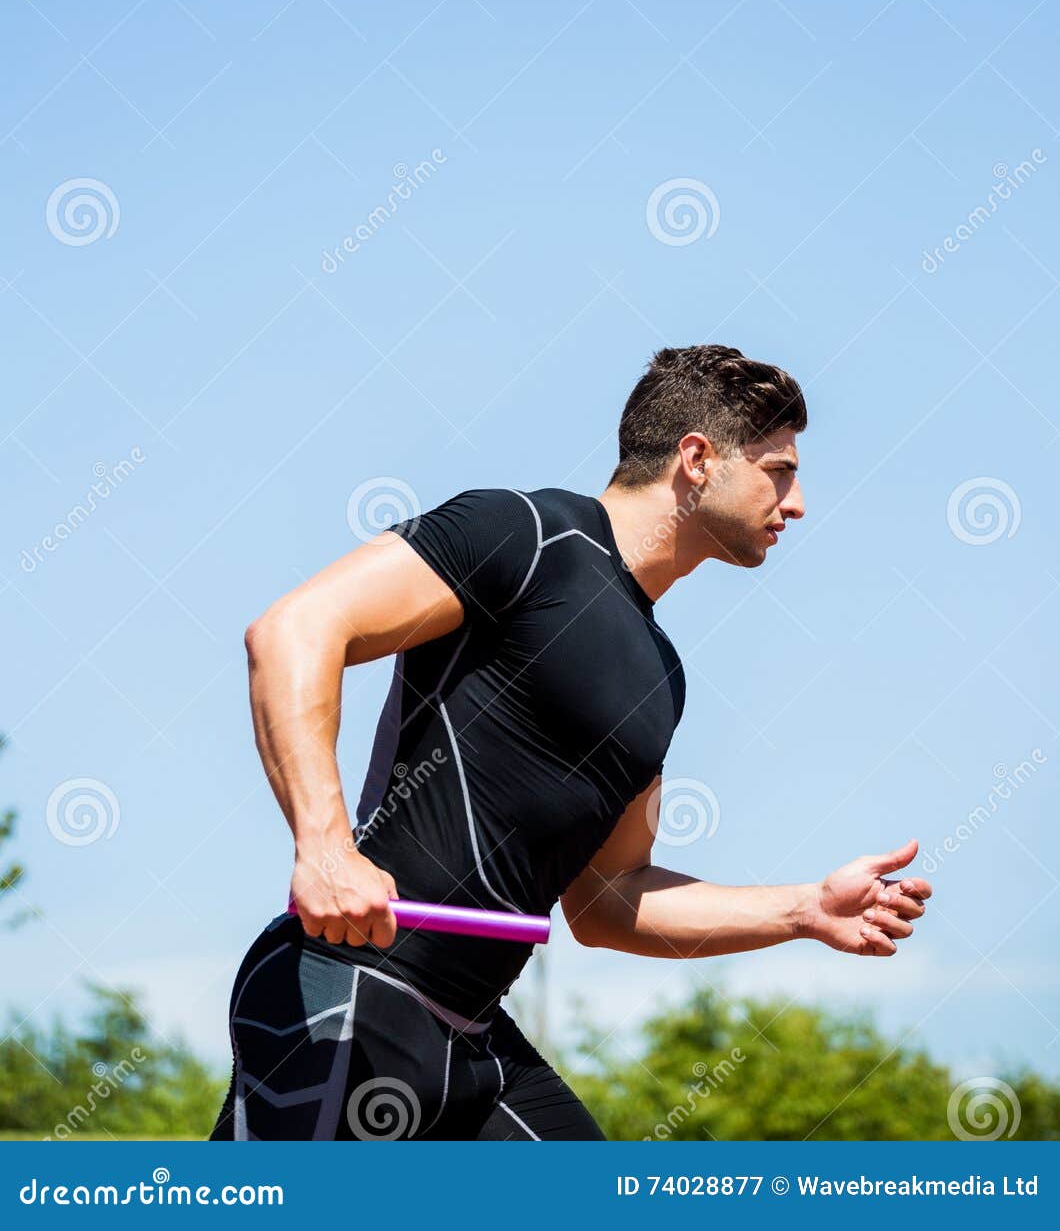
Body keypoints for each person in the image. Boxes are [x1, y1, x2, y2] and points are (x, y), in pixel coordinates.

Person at [210, 344, 931, 1141]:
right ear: (696, 459)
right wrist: (324, 847)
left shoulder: (661, 677)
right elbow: (294, 629)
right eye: (778, 471)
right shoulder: (522, 535)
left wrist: (802, 909)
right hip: (351, 990)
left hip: (475, 1038)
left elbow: (609, 900)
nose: (794, 504)